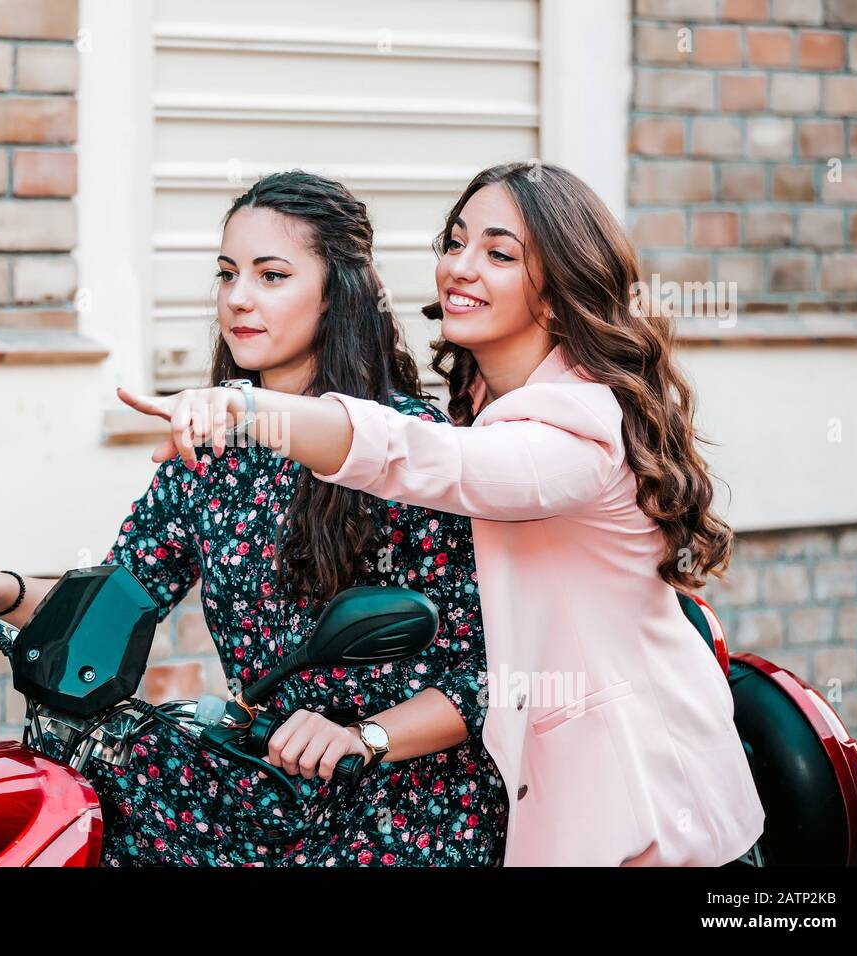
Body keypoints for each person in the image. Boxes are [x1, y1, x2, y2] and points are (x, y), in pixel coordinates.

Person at [118, 161, 767, 867]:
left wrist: (245, 408)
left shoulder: (578, 427)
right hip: (556, 805)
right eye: (455, 243)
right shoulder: (487, 409)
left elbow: (427, 460)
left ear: (557, 296)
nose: (459, 267)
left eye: (498, 253)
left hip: (645, 807)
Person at [0, 170, 507, 866]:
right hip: (268, 778)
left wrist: (362, 736)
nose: (238, 298)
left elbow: (485, 675)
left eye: (271, 275)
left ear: (337, 295)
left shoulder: (405, 446)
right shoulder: (213, 447)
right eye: (227, 274)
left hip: (397, 800)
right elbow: (118, 597)